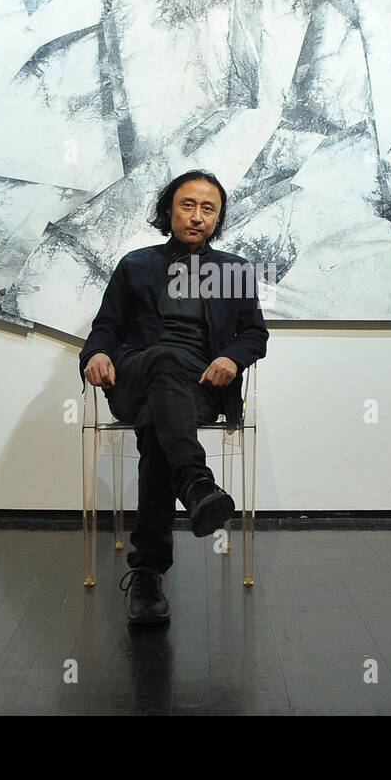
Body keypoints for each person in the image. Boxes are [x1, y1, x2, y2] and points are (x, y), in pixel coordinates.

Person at [78, 170, 269, 625]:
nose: (197, 216)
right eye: (188, 205)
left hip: (200, 388)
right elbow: (105, 327)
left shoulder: (233, 272)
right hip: (136, 377)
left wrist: (231, 358)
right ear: (168, 210)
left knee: (159, 427)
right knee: (163, 358)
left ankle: (147, 573)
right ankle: (196, 483)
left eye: (208, 209)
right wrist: (98, 352)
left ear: (218, 219)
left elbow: (255, 334)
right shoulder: (136, 265)